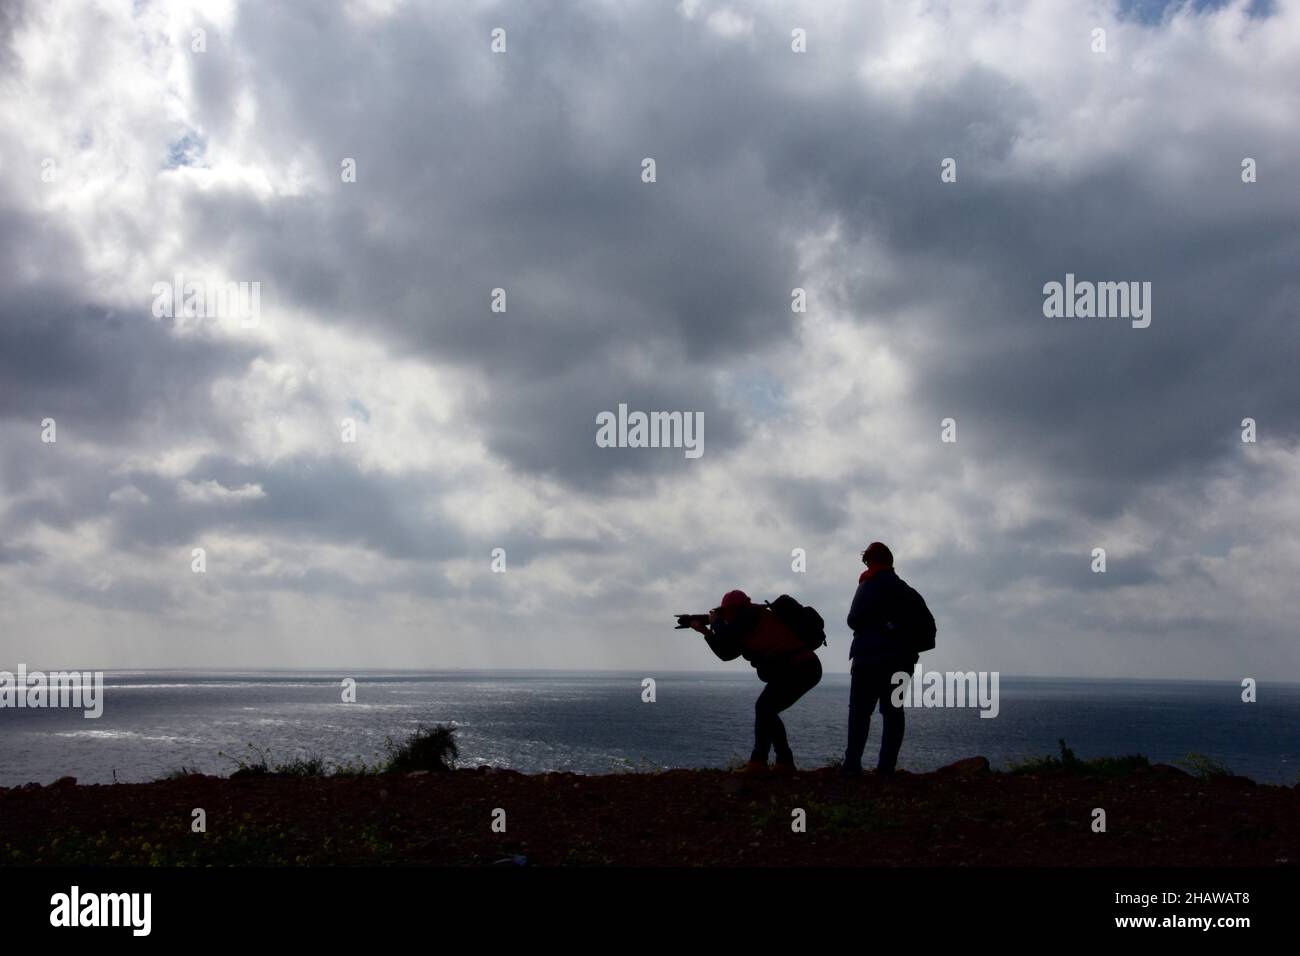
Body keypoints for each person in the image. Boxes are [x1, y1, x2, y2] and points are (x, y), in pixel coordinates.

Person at [688, 589, 822, 774]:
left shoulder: (750, 615)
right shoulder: (746, 624)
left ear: (733, 609)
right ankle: (781, 762)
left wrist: (715, 621)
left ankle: (764, 762)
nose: (724, 615)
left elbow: (727, 636)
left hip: (800, 667)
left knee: (765, 708)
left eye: (724, 611)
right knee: (767, 710)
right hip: (799, 668)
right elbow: (727, 653)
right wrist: (705, 631)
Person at [842, 542, 927, 778]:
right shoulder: (907, 591)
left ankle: (852, 766)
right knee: (893, 713)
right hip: (900, 662)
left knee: (860, 713)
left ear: (870, 561)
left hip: (868, 660)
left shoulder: (868, 585)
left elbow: (853, 619)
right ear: (891, 561)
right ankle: (886, 768)